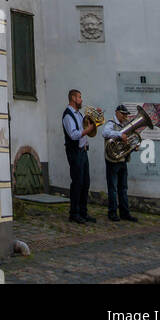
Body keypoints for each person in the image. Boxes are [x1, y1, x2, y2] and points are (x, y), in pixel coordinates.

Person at [62, 88, 96, 224]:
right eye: (80, 97)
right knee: (77, 182)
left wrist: (95, 118)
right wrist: (87, 131)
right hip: (74, 152)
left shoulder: (79, 114)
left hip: (83, 151)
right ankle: (74, 213)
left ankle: (83, 212)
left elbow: (85, 127)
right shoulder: (68, 115)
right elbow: (73, 134)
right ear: (73, 98)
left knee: (85, 182)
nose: (81, 100)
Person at [101, 104, 139, 222]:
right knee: (113, 188)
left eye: (126, 114)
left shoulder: (124, 125)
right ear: (117, 112)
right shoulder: (111, 123)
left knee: (123, 188)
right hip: (112, 160)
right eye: (122, 114)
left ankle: (125, 213)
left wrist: (133, 146)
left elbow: (126, 142)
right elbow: (105, 133)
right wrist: (119, 135)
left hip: (122, 160)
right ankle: (112, 212)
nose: (124, 116)